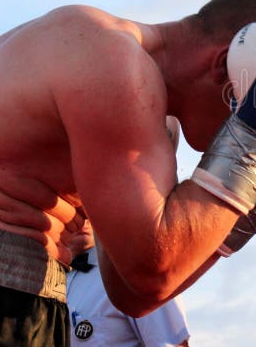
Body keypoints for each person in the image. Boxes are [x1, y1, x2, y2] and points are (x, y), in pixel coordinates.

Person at [0, 0, 256, 346]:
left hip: (12, 297)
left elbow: (133, 293)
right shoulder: (112, 61)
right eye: (250, 106)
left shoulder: (144, 113)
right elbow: (153, 273)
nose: (237, 125)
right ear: (223, 67)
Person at [65, 117, 189, 347]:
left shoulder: (136, 274)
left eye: (88, 205)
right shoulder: (47, 282)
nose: (83, 216)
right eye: (75, 207)